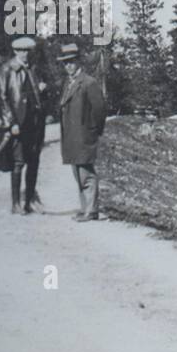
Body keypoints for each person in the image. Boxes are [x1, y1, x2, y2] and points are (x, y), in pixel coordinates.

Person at [0, 35, 48, 214]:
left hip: (35, 123)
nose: (25, 54)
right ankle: (15, 204)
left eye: (27, 50)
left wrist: (42, 91)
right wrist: (11, 122)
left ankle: (29, 201)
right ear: (15, 51)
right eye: (21, 50)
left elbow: (37, 95)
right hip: (19, 123)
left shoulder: (33, 69)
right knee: (18, 162)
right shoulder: (8, 69)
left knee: (34, 161)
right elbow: (3, 98)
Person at [57, 41, 107, 222]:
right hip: (71, 137)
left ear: (78, 61)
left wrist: (94, 130)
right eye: (65, 63)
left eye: (71, 61)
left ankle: (92, 211)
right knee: (77, 172)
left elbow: (100, 109)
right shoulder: (68, 83)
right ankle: (85, 208)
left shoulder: (88, 82)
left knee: (86, 173)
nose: (68, 66)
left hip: (84, 135)